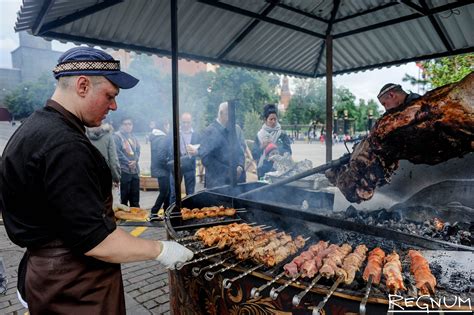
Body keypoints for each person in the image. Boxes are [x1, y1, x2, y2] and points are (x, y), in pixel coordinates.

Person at [0, 47, 193, 314]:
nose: (113, 106)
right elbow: (97, 242)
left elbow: (48, 204)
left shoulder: (34, 128)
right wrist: (161, 249)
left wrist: (102, 209)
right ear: (82, 85)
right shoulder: (65, 145)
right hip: (75, 288)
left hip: (48, 276)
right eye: (110, 96)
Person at [198, 102, 245, 188]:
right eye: (228, 115)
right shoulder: (209, 131)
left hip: (235, 183)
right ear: (221, 113)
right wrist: (228, 171)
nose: (231, 119)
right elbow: (206, 159)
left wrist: (240, 166)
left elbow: (240, 151)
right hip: (217, 183)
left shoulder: (232, 131)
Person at [252, 104, 292, 179]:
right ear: (265, 120)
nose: (273, 121)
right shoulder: (259, 135)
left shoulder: (282, 134)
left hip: (279, 172)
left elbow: (289, 152)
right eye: (271, 119)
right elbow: (254, 155)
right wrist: (262, 146)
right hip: (263, 171)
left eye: (275, 119)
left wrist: (275, 149)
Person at [169, 112, 199, 204]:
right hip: (177, 166)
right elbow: (168, 148)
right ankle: (173, 214)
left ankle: (188, 212)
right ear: (180, 122)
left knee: (190, 193)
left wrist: (196, 152)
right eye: (183, 122)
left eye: (188, 122)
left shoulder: (196, 134)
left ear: (191, 122)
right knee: (174, 193)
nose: (186, 124)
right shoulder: (174, 132)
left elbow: (201, 148)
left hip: (190, 166)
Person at [114, 117, 141, 207]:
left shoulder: (133, 137)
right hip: (124, 170)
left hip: (134, 171)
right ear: (121, 125)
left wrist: (135, 161)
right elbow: (117, 152)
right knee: (124, 199)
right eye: (125, 124)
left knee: (135, 199)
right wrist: (129, 162)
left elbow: (138, 151)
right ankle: (124, 220)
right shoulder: (117, 137)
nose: (128, 126)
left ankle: (136, 219)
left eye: (130, 124)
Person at [149, 119, 171, 219]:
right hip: (162, 170)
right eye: (168, 125)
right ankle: (154, 212)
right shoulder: (162, 138)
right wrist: (170, 164)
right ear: (164, 125)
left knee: (167, 191)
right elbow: (161, 156)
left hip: (158, 169)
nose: (169, 127)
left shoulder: (155, 137)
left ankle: (167, 211)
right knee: (164, 192)